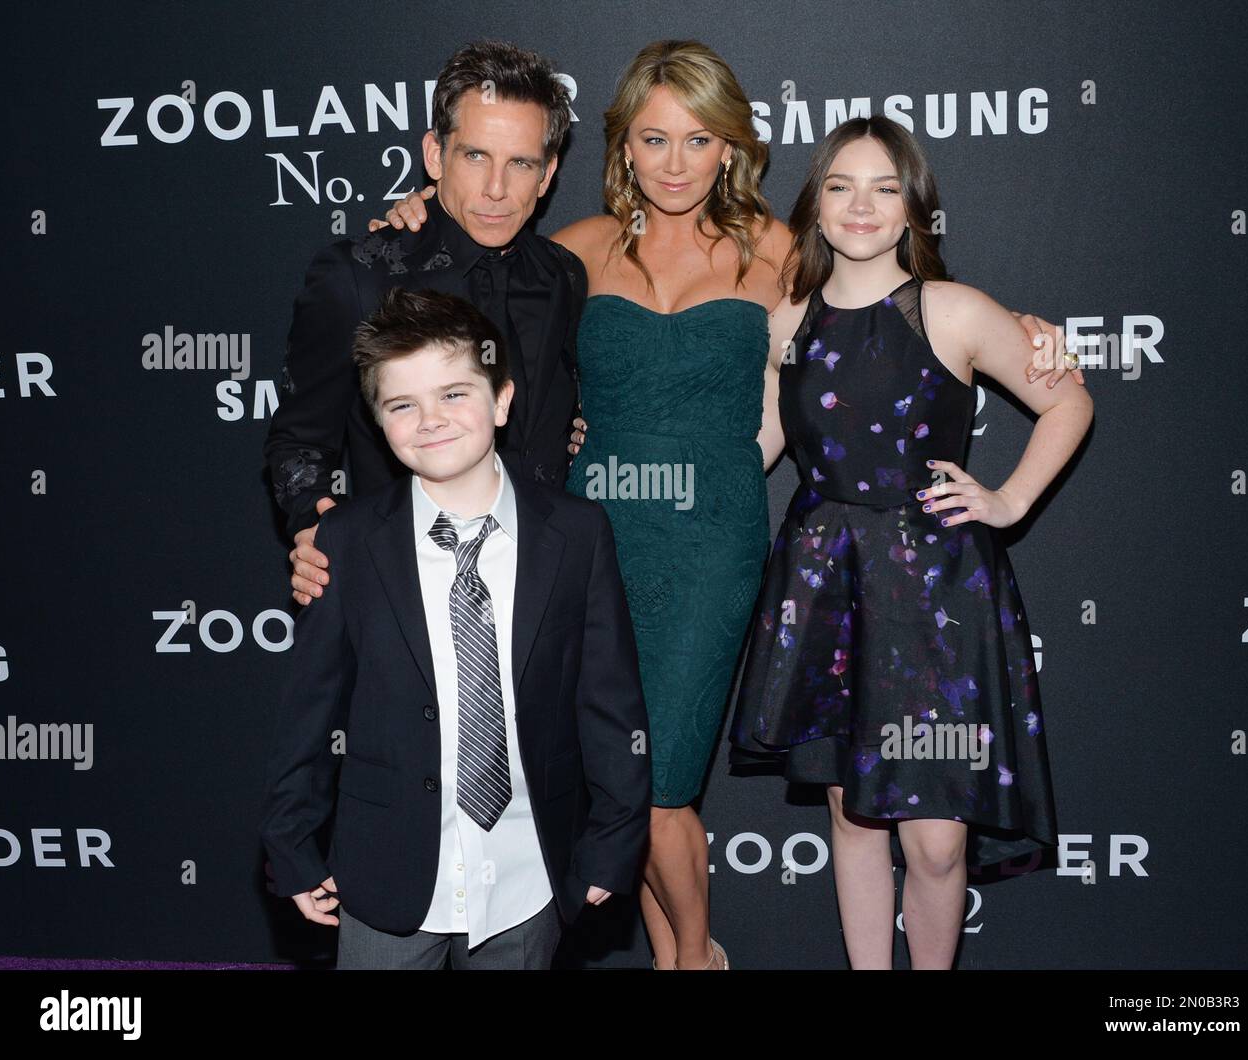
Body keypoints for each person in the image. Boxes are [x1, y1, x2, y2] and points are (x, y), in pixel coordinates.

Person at [378, 39, 1076, 972]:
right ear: (624, 147)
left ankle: (697, 961)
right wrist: (422, 212)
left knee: (663, 780)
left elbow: (879, 309)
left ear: (731, 151)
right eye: (655, 139)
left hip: (713, 537)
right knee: (607, 776)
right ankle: (683, 959)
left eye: (698, 140)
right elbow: (479, 285)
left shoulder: (781, 254)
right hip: (593, 532)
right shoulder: (574, 252)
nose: (675, 163)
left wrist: (1035, 337)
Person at [729, 116, 1093, 969]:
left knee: (934, 842)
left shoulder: (954, 309)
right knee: (853, 816)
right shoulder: (788, 317)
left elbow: (1068, 401)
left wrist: (1008, 500)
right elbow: (752, 453)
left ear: (913, 208)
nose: (862, 205)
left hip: (938, 596)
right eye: (841, 185)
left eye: (885, 187)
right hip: (825, 589)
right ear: (816, 206)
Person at [258, 287, 650, 969]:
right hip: (386, 873)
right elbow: (309, 709)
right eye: (402, 404)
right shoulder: (347, 540)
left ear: (501, 400)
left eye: (454, 394)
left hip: (527, 875)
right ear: (378, 422)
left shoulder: (576, 534)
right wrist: (290, 842)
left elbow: (611, 704)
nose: (430, 420)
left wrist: (614, 842)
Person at [269, 39, 585, 606]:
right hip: (399, 590)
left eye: (520, 163)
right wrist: (313, 522)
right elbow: (299, 440)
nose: (496, 189)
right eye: (475, 156)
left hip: (541, 590)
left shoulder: (563, 276)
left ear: (547, 174)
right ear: (435, 156)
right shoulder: (359, 275)